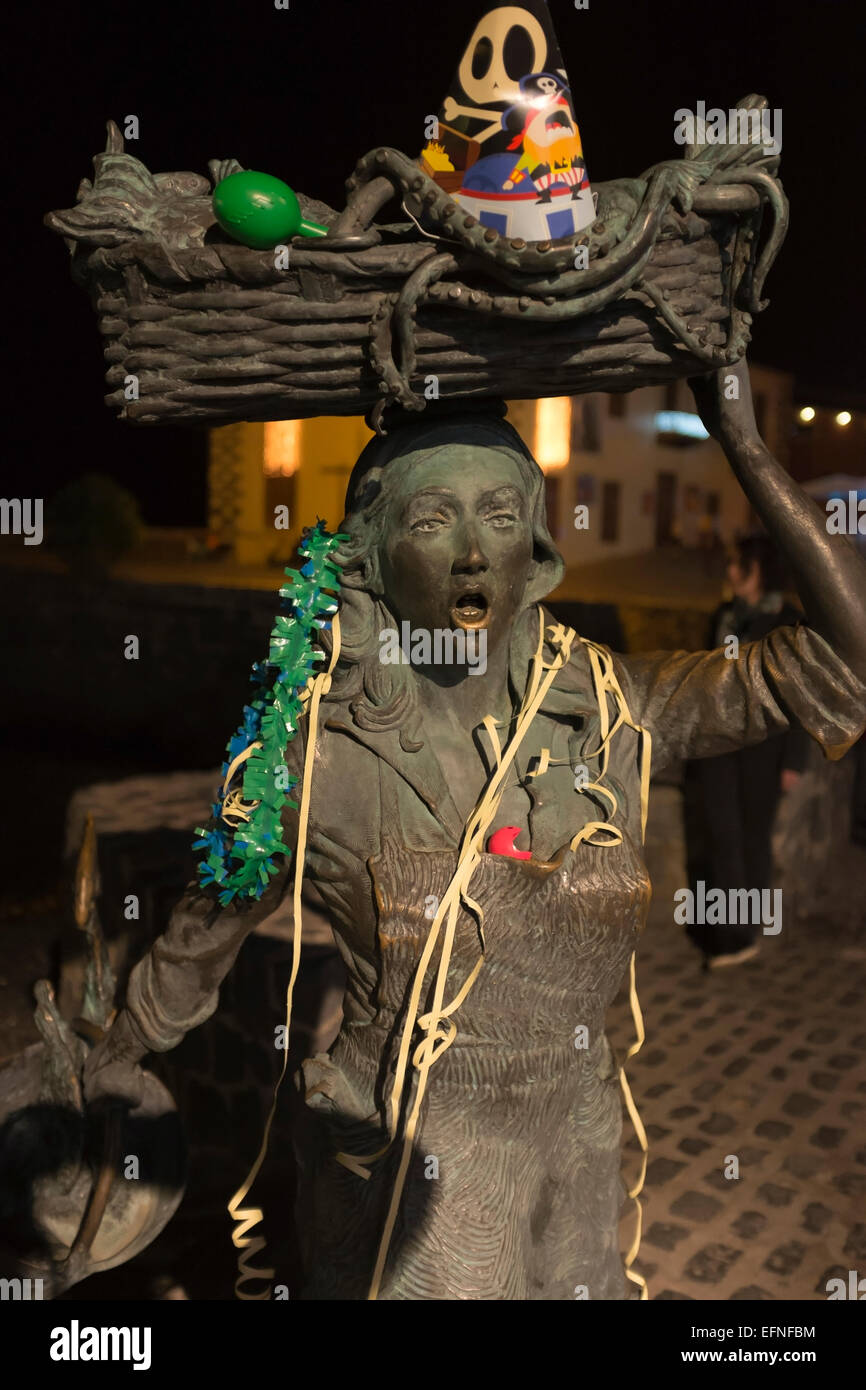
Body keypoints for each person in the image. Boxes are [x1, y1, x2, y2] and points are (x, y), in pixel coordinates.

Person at [83, 362, 866, 1301]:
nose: (469, 552)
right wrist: (116, 1052)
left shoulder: (611, 708)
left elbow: (843, 657)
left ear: (535, 549)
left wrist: (742, 442)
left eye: (498, 515)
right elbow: (198, 942)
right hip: (409, 1149)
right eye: (430, 520)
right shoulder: (312, 756)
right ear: (367, 557)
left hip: (574, 1137)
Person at [683, 535, 810, 967]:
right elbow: (702, 676)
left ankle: (745, 932)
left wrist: (794, 760)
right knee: (722, 836)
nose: (732, 573)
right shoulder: (723, 616)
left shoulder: (786, 621)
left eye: (742, 565)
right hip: (718, 744)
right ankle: (728, 933)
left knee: (754, 840)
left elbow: (799, 694)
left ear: (761, 570)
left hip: (764, 749)